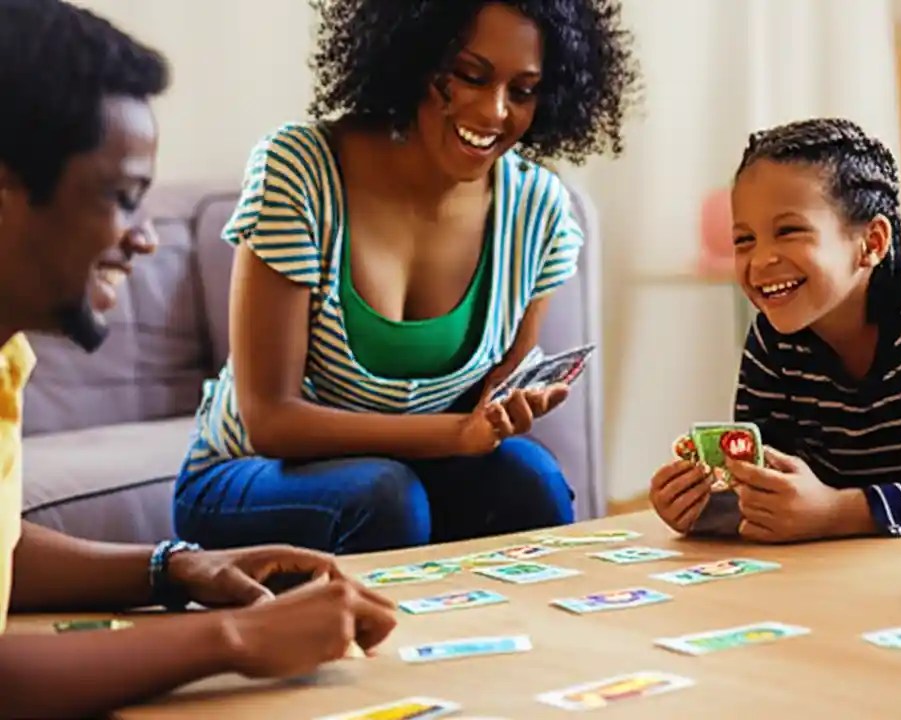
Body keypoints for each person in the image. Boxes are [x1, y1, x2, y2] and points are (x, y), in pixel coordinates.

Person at [0, 1, 397, 717]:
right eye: (122, 198)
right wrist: (233, 638)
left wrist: (175, 566)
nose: (145, 238)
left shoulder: (7, 359)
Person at [173, 0, 640, 554]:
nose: (494, 112)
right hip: (254, 471)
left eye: (523, 91)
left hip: (415, 474)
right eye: (471, 76)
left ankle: (516, 639)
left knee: (531, 481)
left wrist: (503, 413)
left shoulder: (537, 213)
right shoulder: (298, 170)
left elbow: (496, 395)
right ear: (417, 58)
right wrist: (455, 435)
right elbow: (271, 421)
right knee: (385, 497)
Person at [650, 118, 901, 543]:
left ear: (871, 243)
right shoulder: (771, 339)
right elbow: (772, 492)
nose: (760, 262)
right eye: (744, 240)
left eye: (788, 231)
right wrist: (706, 508)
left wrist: (839, 512)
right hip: (829, 575)